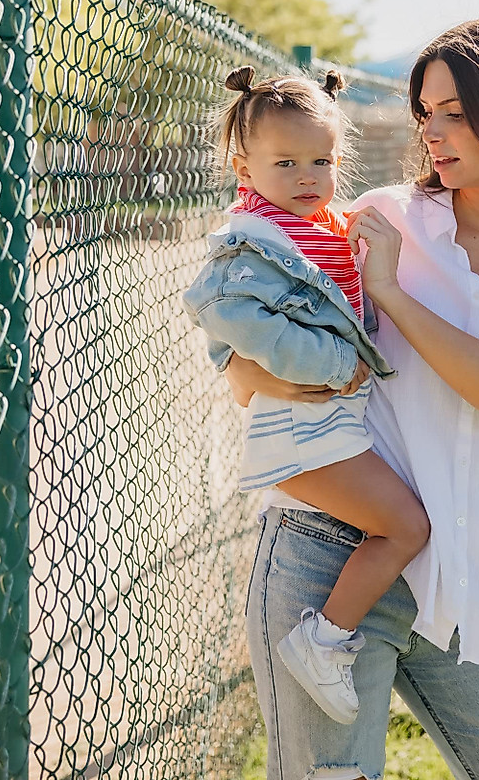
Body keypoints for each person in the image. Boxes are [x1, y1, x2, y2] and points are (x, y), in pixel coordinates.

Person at [224, 17, 479, 780]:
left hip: (474, 584)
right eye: (426, 114)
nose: (434, 133)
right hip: (330, 557)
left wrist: (393, 294)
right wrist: (274, 376)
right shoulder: (379, 217)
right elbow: (250, 357)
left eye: (455, 112)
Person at [182, 65, 431, 726]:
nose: (306, 176)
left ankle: (329, 638)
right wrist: (332, 362)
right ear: (244, 164)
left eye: (320, 160)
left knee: (403, 523)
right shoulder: (252, 240)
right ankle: (322, 643)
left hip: (326, 421)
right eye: (285, 161)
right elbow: (223, 311)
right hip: (303, 427)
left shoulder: (321, 226)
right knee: (405, 526)